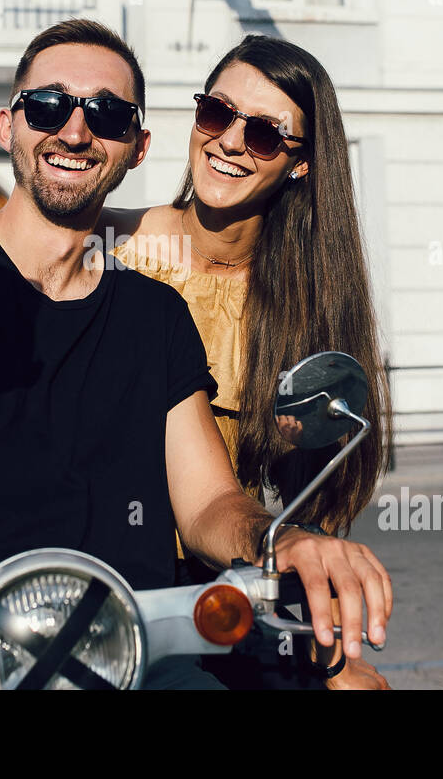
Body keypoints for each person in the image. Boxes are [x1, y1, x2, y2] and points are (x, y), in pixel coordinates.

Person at [0, 0, 392, 688]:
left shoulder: (156, 313)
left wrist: (282, 538)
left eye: (108, 115)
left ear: (138, 147)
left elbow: (210, 503)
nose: (76, 131)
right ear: (8, 125)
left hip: (126, 654)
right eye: (48, 106)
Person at [101, 34, 393, 690]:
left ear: (301, 164)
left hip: (225, 593)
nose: (230, 140)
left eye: (263, 133)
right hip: (96, 583)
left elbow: (309, 513)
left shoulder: (305, 303)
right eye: (216, 113)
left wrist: (335, 658)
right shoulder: (108, 247)